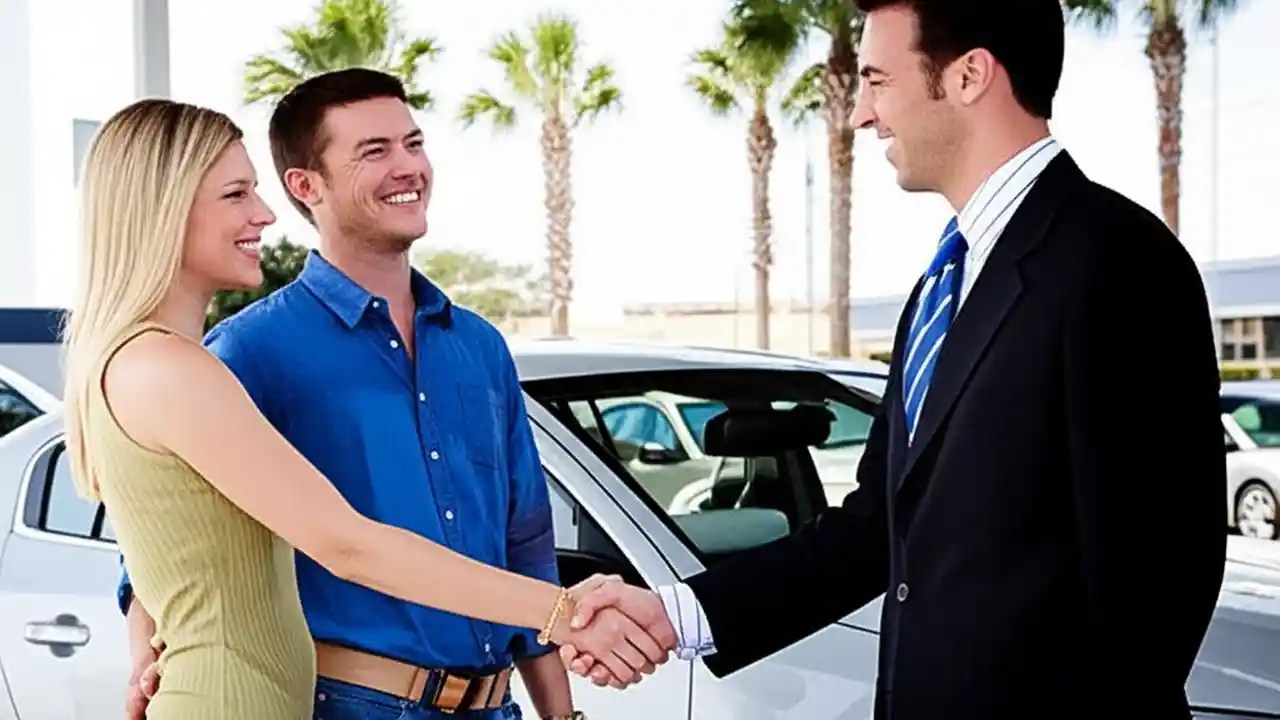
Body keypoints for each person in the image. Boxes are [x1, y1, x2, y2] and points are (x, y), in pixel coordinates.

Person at [561, 1, 1226, 718]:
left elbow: (1156, 590)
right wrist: (677, 615)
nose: (861, 116)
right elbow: (874, 529)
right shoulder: (945, 282)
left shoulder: (1118, 262)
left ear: (969, 75)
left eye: (877, 80)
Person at [71, 86, 659, 720]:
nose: (264, 215)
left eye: (413, 143)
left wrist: (560, 706)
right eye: (237, 194)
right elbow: (341, 544)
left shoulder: (480, 348)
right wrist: (565, 612)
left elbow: (525, 542)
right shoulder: (215, 360)